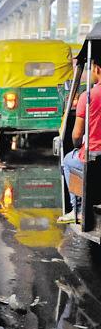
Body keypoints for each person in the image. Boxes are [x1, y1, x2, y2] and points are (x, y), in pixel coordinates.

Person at [58, 61, 101, 223]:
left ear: (97, 69)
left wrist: (77, 145)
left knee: (69, 160)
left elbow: (77, 134)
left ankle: (78, 210)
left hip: (95, 154)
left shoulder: (88, 96)